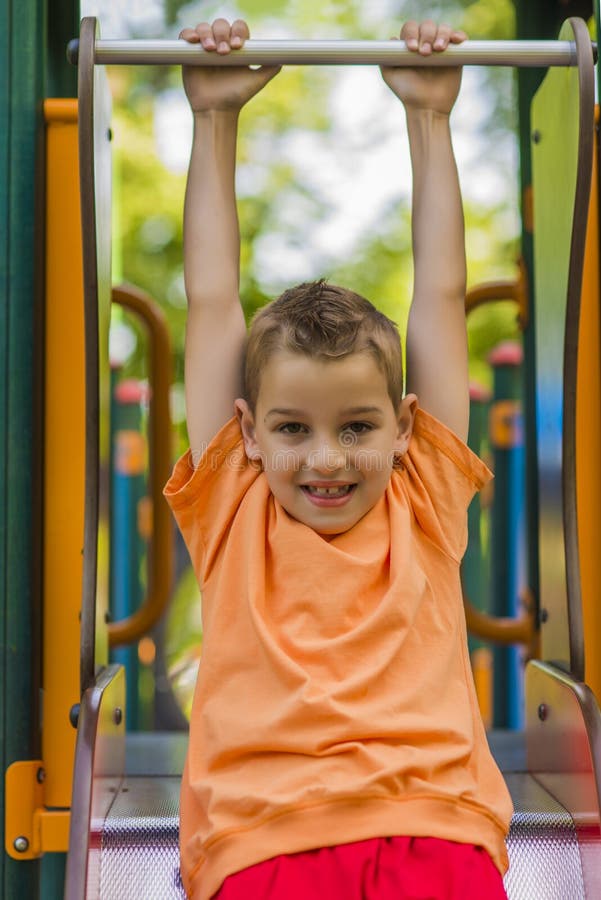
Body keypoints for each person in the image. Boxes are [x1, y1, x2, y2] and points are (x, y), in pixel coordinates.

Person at [164, 16, 513, 900]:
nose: (326, 458)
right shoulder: (233, 508)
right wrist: (213, 122)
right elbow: (210, 299)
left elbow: (440, 291)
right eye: (292, 429)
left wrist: (429, 120)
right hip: (262, 842)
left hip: (429, 828)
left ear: (405, 425)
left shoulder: (422, 498)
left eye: (356, 427)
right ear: (245, 430)